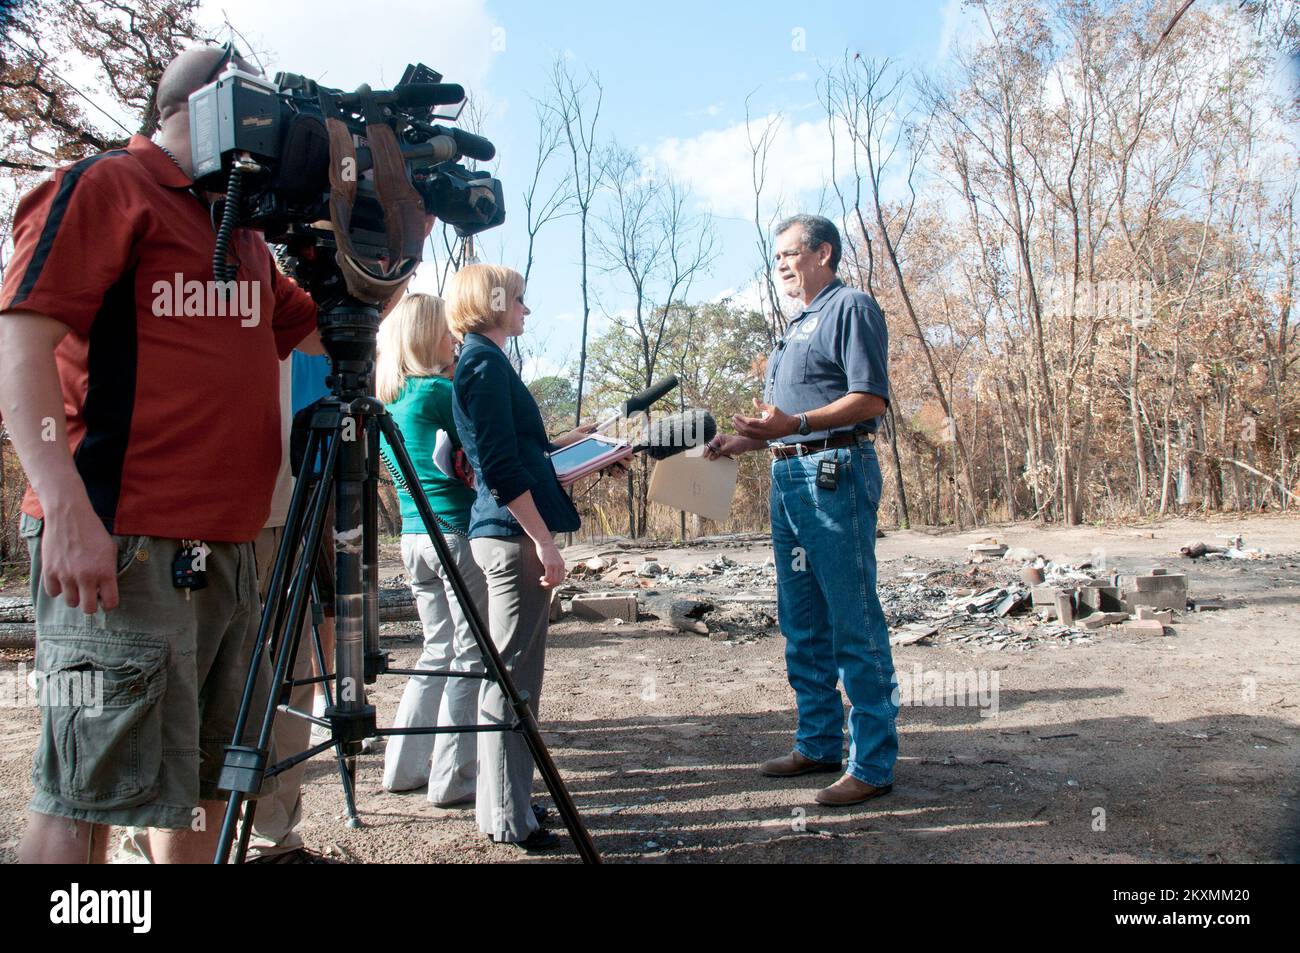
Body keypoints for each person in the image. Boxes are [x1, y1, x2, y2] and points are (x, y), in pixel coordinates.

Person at [0, 44, 329, 863]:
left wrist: (390, 241)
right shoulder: (105, 187)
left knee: (202, 787)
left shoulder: (240, 233)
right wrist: (65, 507)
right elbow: (20, 344)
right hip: (118, 543)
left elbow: (323, 332)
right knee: (86, 789)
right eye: (261, 114)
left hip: (228, 549)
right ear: (208, 106)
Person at [705, 214, 898, 807]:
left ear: (824, 253)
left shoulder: (851, 308)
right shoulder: (793, 326)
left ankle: (873, 764)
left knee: (853, 618)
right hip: (787, 473)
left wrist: (799, 424)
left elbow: (870, 398)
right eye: (777, 258)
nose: (782, 265)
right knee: (803, 619)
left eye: (791, 254)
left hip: (834, 472)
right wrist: (743, 441)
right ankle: (817, 743)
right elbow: (787, 420)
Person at [447, 264, 616, 850]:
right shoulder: (483, 364)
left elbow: (523, 451)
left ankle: (504, 803)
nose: (526, 309)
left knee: (513, 677)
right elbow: (498, 466)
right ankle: (508, 818)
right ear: (492, 302)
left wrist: (586, 443)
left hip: (506, 532)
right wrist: (544, 541)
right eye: (519, 299)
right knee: (513, 681)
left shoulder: (486, 361)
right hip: (510, 536)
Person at [376, 293, 486, 804]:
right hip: (455, 535)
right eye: (447, 330)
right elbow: (489, 447)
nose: (455, 339)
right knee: (470, 654)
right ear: (426, 336)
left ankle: (404, 768)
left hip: (414, 537)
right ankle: (452, 779)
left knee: (437, 649)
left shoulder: (392, 399)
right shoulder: (440, 392)